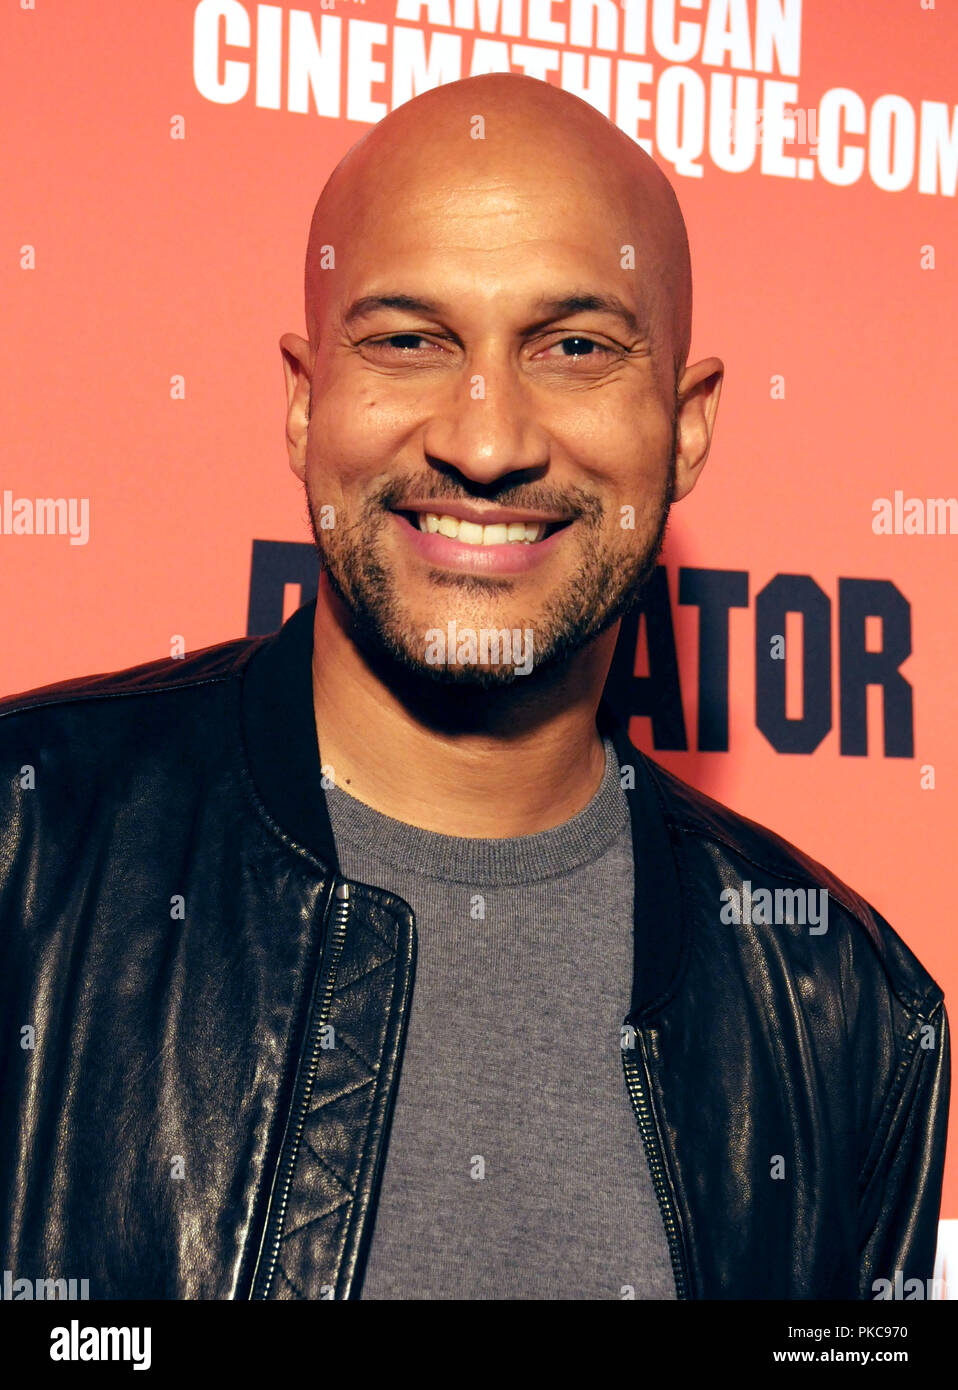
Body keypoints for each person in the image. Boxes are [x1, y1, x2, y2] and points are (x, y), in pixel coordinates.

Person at [0, 73, 947, 1301]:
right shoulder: (26, 847)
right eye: (407, 340)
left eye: (574, 348)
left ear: (689, 424)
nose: (486, 441)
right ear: (302, 405)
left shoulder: (842, 1004)